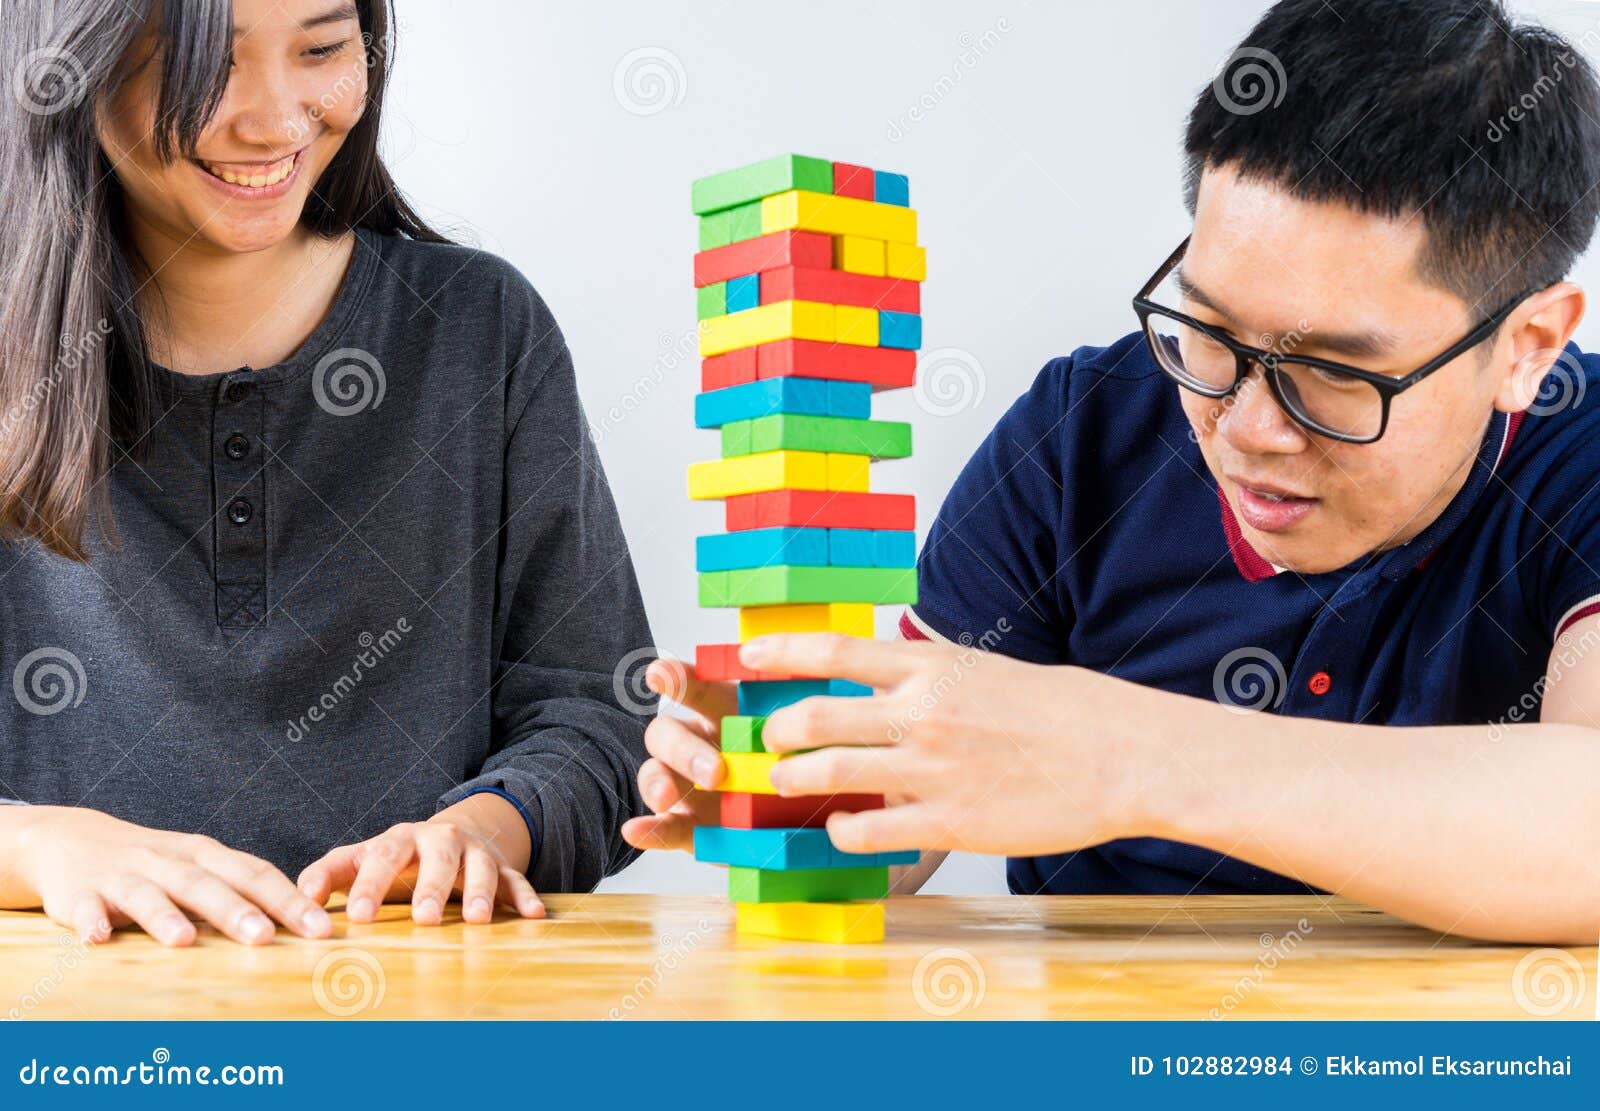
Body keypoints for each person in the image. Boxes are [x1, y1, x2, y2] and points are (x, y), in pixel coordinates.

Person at [625, 0, 1600, 944]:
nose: (1249, 427)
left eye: (1333, 374)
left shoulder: (1579, 453)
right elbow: (900, 801)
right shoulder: (1078, 433)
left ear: (1527, 346)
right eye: (1210, 332)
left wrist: (1131, 752)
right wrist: (799, 783)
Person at [0, 0, 652, 945]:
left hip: (420, 1015)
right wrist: (35, 847)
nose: (275, 119)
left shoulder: (480, 331)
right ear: (73, 62)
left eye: (321, 48)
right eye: (207, 63)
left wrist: (486, 830)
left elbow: (601, 713)